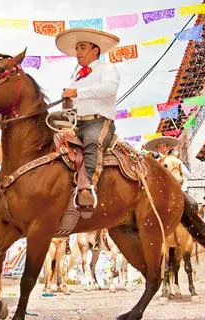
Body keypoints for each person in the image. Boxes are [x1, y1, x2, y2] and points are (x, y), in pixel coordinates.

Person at [55, 28, 121, 207]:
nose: (78, 53)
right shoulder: (75, 77)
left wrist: (77, 92)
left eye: (82, 47)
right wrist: (63, 121)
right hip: (76, 122)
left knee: (92, 141)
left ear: (95, 50)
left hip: (98, 121)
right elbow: (71, 103)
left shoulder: (108, 68)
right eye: (77, 48)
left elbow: (110, 89)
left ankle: (87, 189)